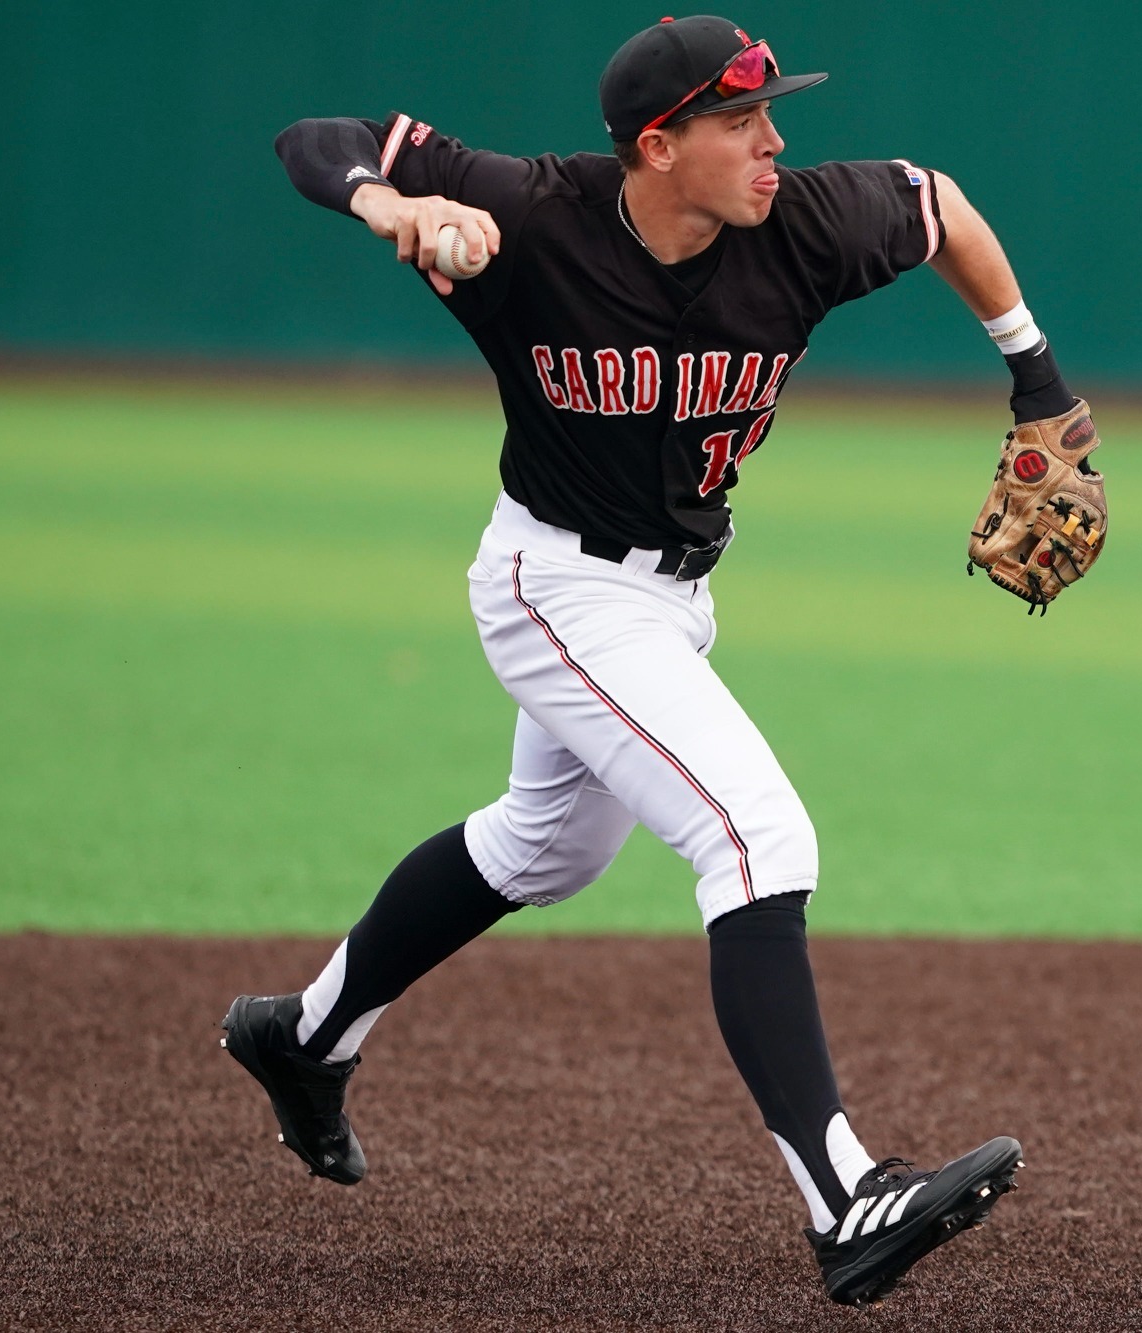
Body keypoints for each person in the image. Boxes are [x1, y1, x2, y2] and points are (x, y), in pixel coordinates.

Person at [221, 15, 1079, 1306]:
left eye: (771, 112)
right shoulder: (532, 215)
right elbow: (314, 138)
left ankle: (308, 1035)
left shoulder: (802, 223)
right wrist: (388, 204)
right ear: (658, 145)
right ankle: (846, 1197)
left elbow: (941, 205)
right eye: (741, 121)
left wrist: (1038, 383)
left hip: (676, 596)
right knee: (756, 836)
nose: (774, 141)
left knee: (542, 848)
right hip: (555, 582)